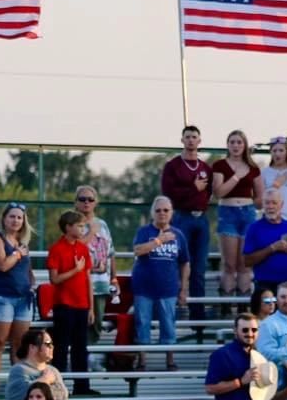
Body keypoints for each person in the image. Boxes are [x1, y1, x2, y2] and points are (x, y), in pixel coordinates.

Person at [129, 197, 189, 367]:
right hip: (144, 288)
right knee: (142, 324)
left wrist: (184, 288)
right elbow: (137, 250)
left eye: (165, 210)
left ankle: (170, 361)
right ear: (152, 213)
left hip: (168, 288)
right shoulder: (144, 231)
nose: (162, 213)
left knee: (169, 325)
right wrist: (159, 241)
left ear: (172, 213)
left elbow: (185, 262)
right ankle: (142, 361)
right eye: (158, 210)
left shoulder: (179, 235)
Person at [0, 202, 36, 385]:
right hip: (1, 297)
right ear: (4, 219)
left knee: (19, 345)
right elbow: (3, 265)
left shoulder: (22, 243)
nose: (15, 220)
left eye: (19, 217)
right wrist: (17, 254)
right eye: (12, 216)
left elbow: (28, 270)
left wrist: (31, 284)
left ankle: (18, 385)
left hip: (23, 299)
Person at [160, 125, 213, 301]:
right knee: (178, 263)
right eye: (188, 137)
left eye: (194, 137)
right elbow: (168, 194)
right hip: (181, 218)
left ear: (199, 141)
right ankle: (174, 308)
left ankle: (198, 319)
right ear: (182, 140)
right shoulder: (172, 166)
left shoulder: (205, 167)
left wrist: (199, 195)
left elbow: (208, 192)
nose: (191, 140)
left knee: (199, 268)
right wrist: (192, 188)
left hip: (201, 220)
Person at [46, 209, 93, 393]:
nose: (82, 229)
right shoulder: (56, 249)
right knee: (61, 347)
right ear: (68, 227)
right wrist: (75, 270)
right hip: (64, 305)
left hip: (82, 305)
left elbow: (88, 278)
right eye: (79, 226)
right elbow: (54, 279)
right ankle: (58, 387)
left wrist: (91, 308)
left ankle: (82, 386)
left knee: (81, 347)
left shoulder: (83, 248)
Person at [210, 130, 262, 297]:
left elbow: (260, 196)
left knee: (244, 265)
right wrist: (236, 177)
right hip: (227, 213)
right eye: (232, 142)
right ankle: (226, 305)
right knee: (229, 264)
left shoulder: (253, 168)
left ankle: (242, 305)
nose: (236, 145)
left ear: (244, 145)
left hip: (248, 214)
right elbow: (219, 192)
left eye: (239, 142)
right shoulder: (219, 165)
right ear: (227, 145)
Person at [243, 188, 287, 294]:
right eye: (267, 203)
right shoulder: (254, 228)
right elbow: (247, 261)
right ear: (263, 204)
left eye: (274, 203)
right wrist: (272, 248)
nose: (270, 206)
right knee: (265, 311)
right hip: (264, 285)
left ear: (281, 205)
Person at [74, 185, 117, 332]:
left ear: (95, 202)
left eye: (91, 199)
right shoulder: (72, 224)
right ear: (76, 202)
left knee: (97, 321)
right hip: (79, 283)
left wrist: (114, 279)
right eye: (82, 199)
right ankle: (80, 353)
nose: (87, 202)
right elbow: (72, 248)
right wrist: (91, 232)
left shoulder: (103, 224)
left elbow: (110, 252)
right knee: (79, 322)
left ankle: (90, 351)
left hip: (101, 283)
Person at [4, 328, 70, 400]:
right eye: (47, 344)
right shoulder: (18, 370)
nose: (52, 347)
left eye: (51, 344)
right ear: (32, 347)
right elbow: (23, 395)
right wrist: (45, 380)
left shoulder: (53, 371)